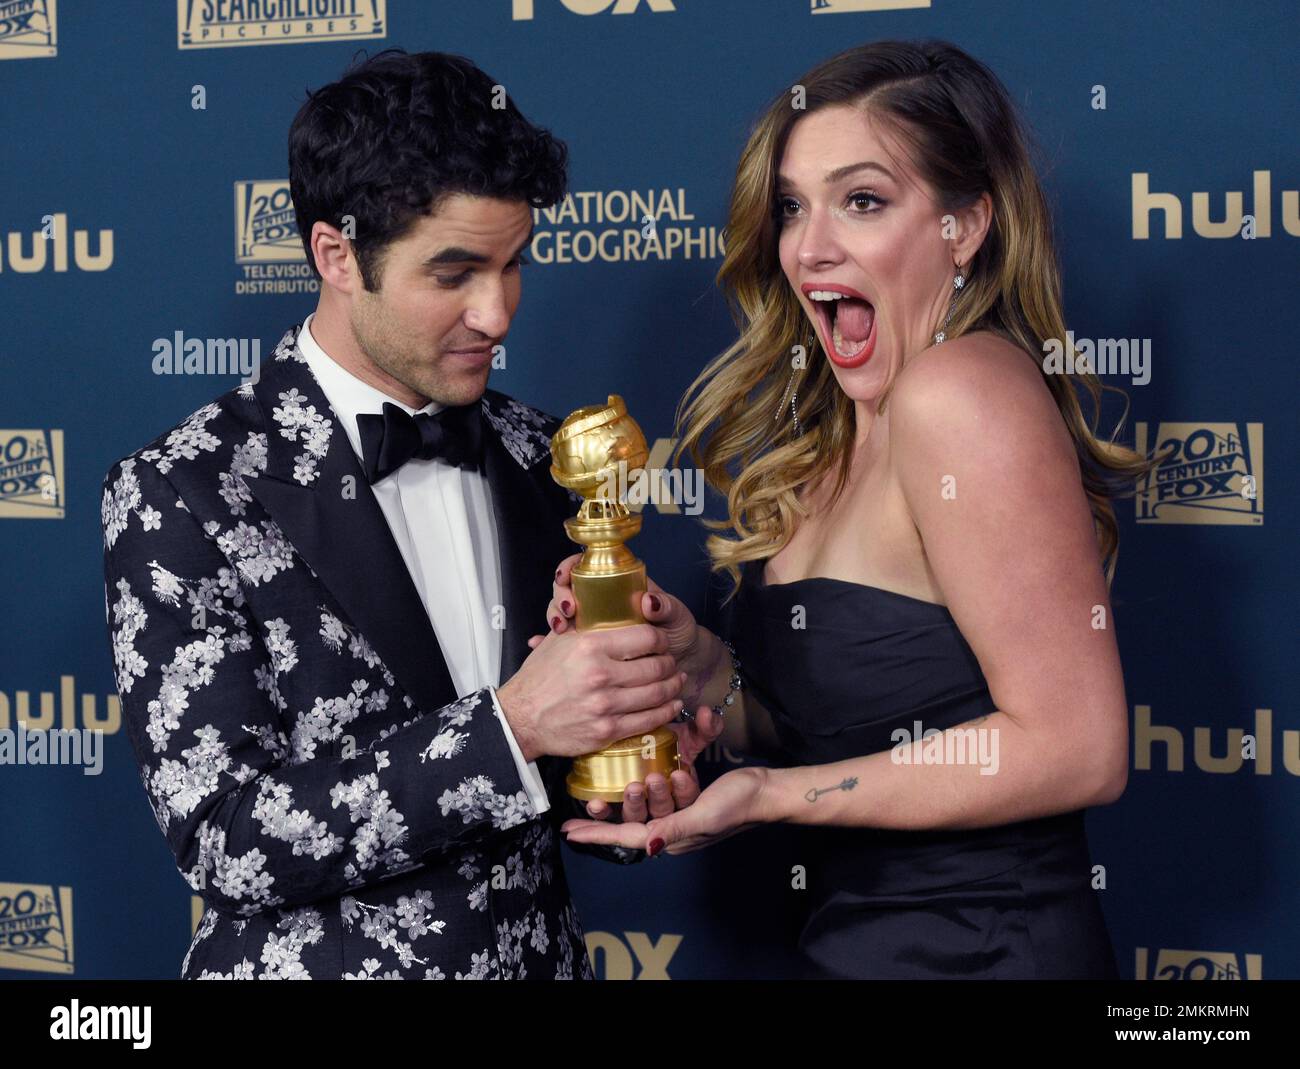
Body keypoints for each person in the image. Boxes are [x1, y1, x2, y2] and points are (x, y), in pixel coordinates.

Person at [553, 40, 1155, 979]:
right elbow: (845, 710)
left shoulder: (959, 392)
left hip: (988, 955)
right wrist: (694, 667)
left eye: (862, 200)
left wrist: (772, 797)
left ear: (965, 225)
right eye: (793, 206)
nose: (810, 245)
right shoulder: (834, 429)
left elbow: (1079, 748)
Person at [99, 49, 699, 981]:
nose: (497, 314)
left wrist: (630, 776)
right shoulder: (186, 489)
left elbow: (550, 806)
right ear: (336, 254)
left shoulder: (548, 455)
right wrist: (513, 728)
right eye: (453, 273)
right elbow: (225, 837)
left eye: (512, 265)